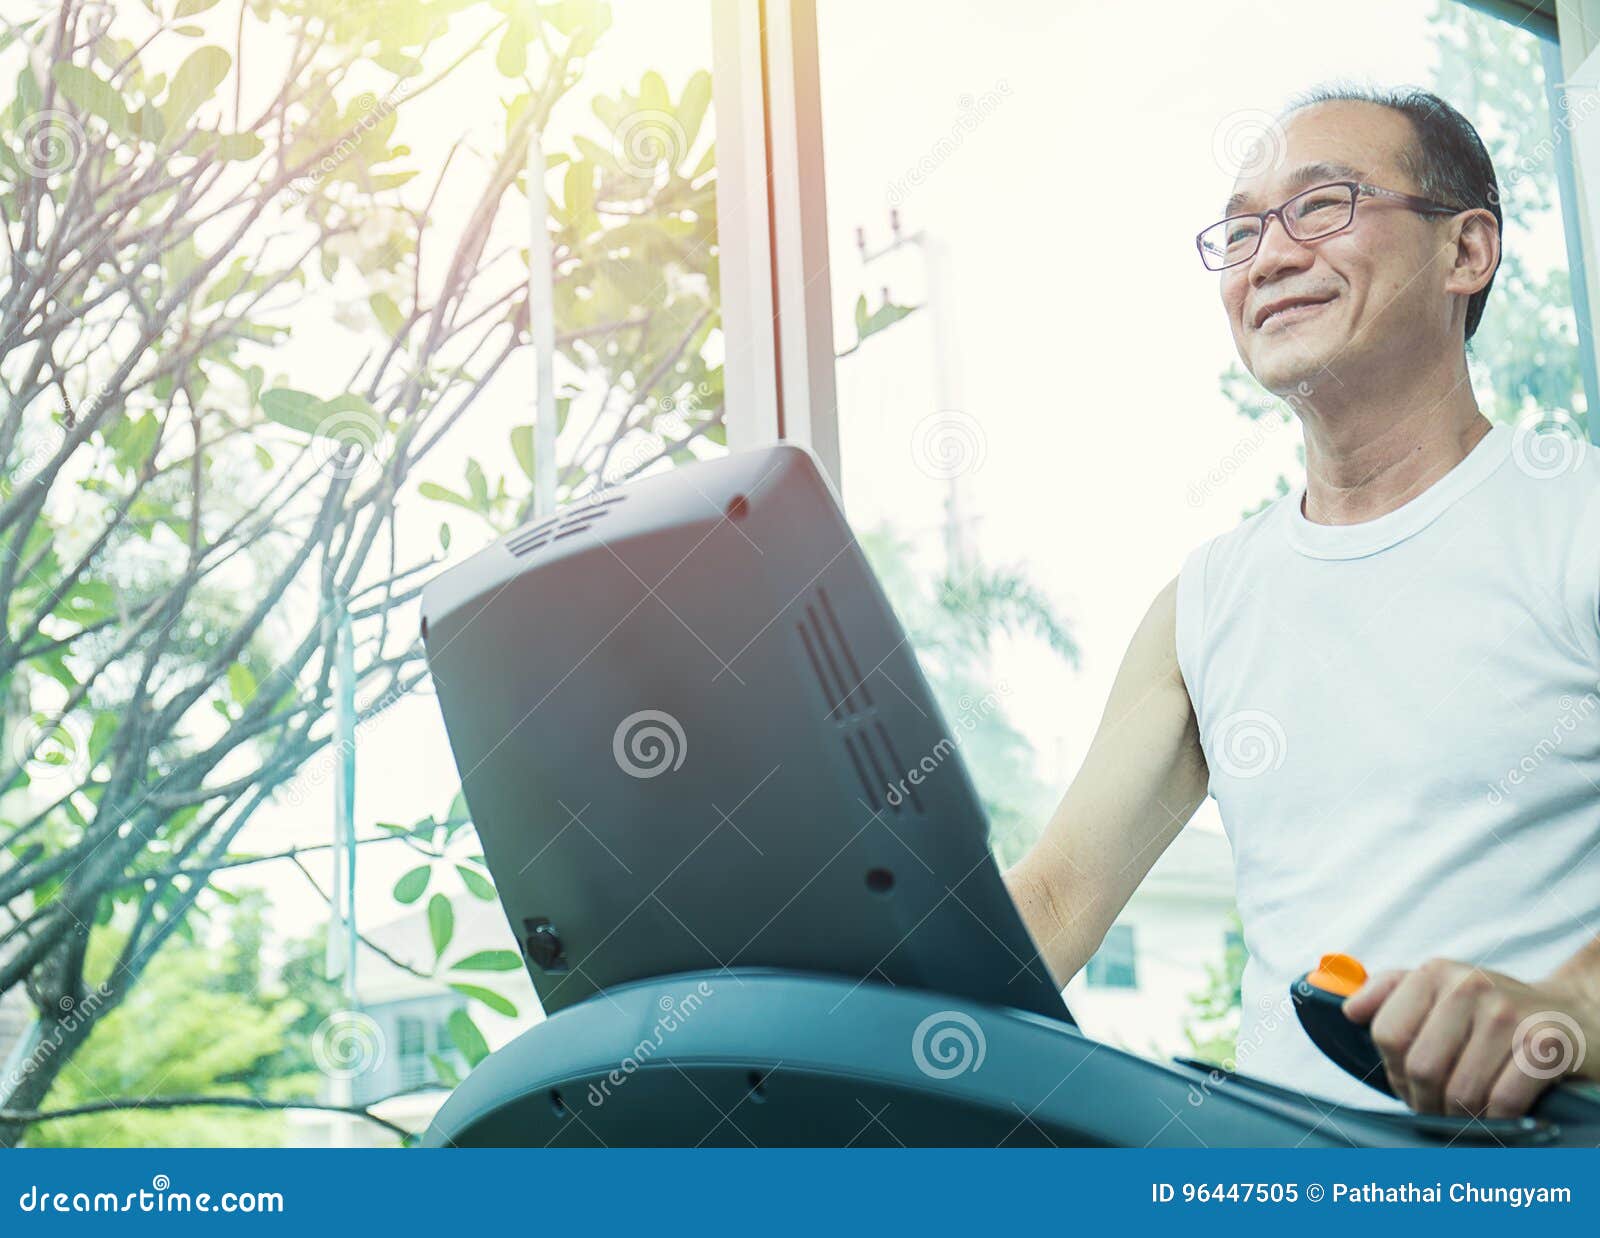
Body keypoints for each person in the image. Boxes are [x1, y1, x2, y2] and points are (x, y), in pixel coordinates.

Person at [1004, 84, 1600, 1118]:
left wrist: (1567, 1007)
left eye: (1322, 206)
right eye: (1240, 232)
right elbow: (1055, 900)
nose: (1267, 258)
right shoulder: (1202, 601)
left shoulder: (1577, 519)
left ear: (1466, 251)